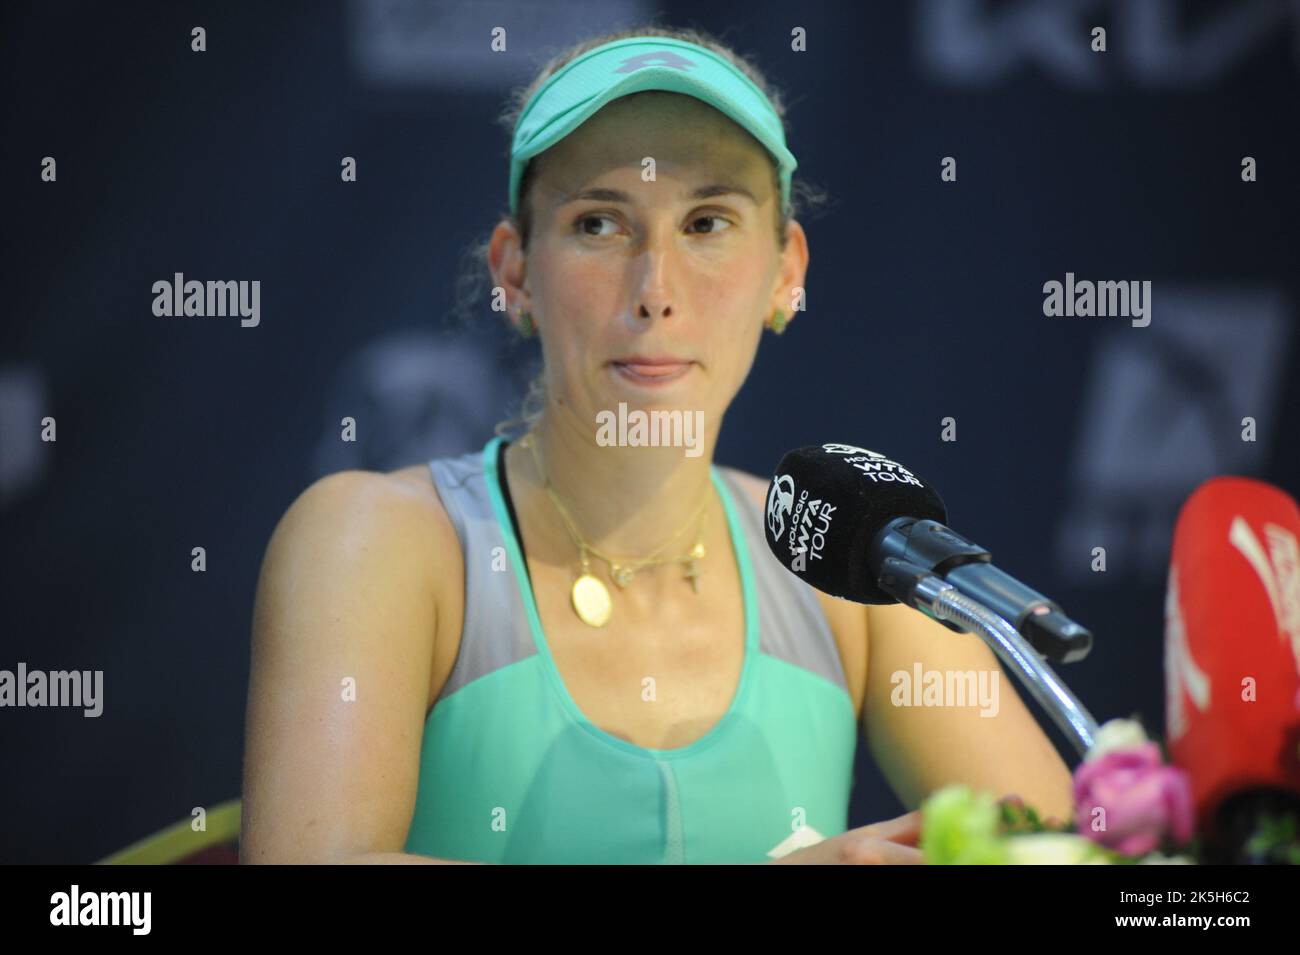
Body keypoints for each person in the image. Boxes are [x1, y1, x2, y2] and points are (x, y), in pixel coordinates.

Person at [240, 26, 1074, 865]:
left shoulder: (850, 562)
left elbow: (1080, 859)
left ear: (787, 272)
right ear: (517, 272)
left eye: (708, 222)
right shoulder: (371, 539)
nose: (656, 291)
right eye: (600, 223)